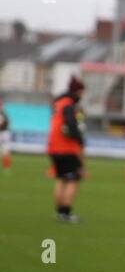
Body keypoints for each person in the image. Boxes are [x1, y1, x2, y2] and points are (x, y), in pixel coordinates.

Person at [47, 76, 86, 222]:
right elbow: (70, 126)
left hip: (53, 146)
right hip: (66, 147)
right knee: (73, 179)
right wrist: (80, 140)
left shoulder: (58, 103)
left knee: (61, 179)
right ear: (77, 92)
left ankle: (59, 212)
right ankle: (66, 212)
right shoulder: (69, 105)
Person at [0, 100, 12, 174]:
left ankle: (6, 167)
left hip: (4, 133)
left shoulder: (3, 114)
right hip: (4, 132)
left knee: (5, 151)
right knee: (5, 151)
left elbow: (6, 123)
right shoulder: (4, 114)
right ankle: (6, 167)